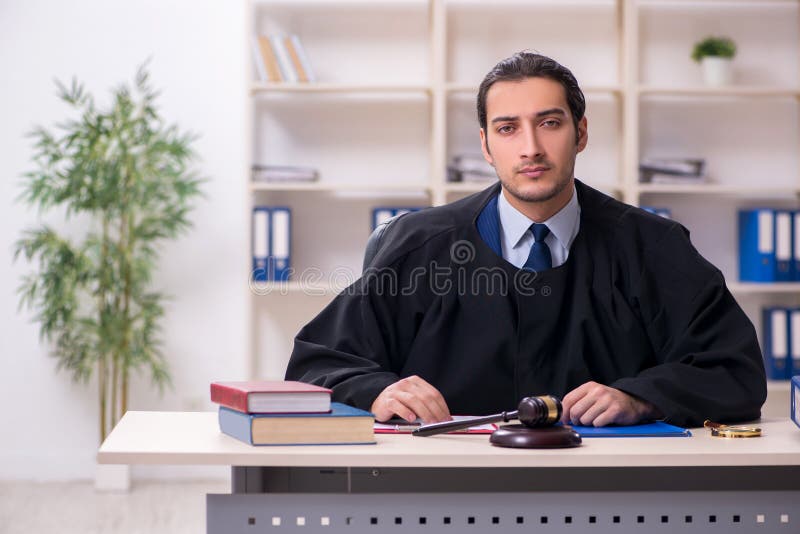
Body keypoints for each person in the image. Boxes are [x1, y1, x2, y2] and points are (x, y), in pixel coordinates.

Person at [284, 51, 766, 428]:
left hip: (607, 491)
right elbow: (315, 365)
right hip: (444, 488)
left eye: (549, 123)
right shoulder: (419, 247)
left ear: (580, 133)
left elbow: (734, 371)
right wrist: (377, 391)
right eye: (508, 129)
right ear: (486, 145)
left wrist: (642, 397)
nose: (530, 148)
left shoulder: (654, 247)